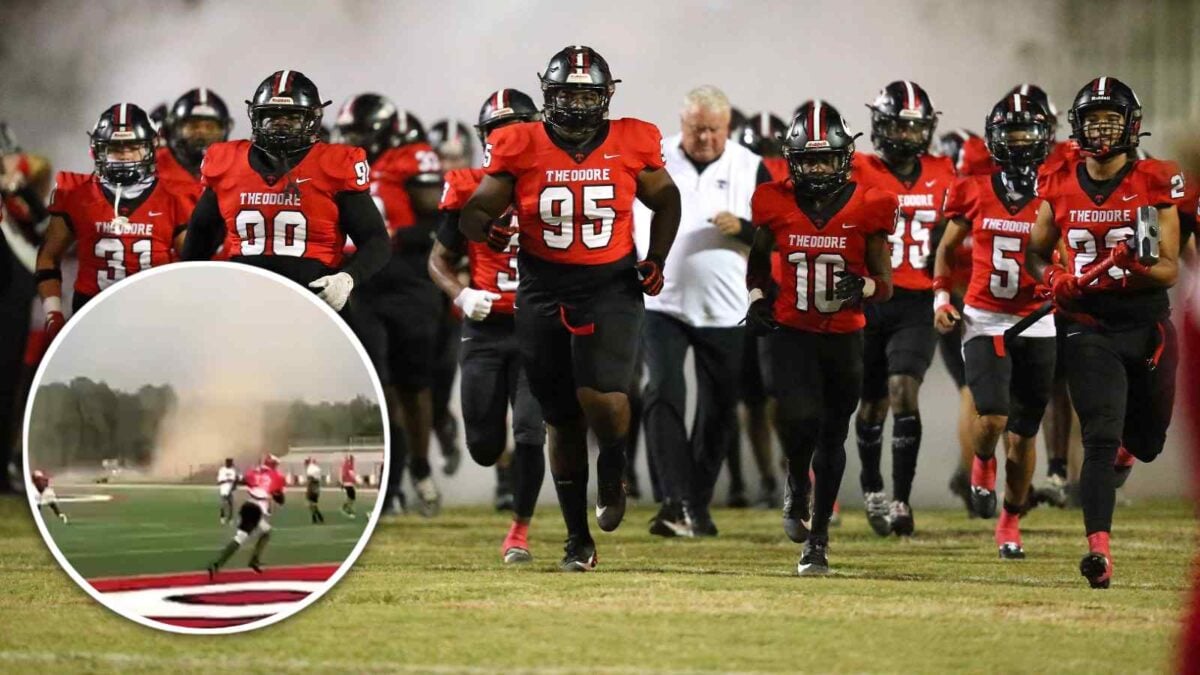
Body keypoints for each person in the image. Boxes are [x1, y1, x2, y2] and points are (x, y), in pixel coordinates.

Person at [460, 45, 681, 571]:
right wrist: (485, 227)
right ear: (547, 96)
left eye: (588, 94)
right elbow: (476, 210)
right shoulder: (519, 142)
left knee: (603, 397)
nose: (578, 105)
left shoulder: (633, 138)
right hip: (542, 287)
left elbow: (666, 198)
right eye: (567, 94)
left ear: (606, 96)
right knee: (560, 416)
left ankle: (614, 462)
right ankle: (577, 539)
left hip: (610, 284)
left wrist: (656, 257)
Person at [1026, 76, 1182, 588]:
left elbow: (1167, 270)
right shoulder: (1059, 180)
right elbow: (1034, 249)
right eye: (1092, 121)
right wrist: (1055, 279)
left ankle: (1126, 453)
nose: (1100, 131)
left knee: (1148, 440)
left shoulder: (1155, 180)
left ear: (1131, 127)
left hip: (1146, 325)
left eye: (1111, 121)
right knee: (1098, 436)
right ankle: (1099, 550)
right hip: (1088, 325)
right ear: (1076, 127)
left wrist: (1127, 266)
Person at [746, 100, 894, 574]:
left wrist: (864, 286)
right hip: (790, 331)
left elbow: (885, 283)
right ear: (791, 159)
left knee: (833, 434)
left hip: (843, 335)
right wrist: (755, 298)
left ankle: (819, 540)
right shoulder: (773, 199)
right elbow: (757, 257)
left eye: (824, 158)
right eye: (807, 159)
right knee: (798, 422)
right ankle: (796, 478)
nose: (815, 168)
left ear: (843, 158)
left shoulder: (870, 202)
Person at [638, 85, 768, 537]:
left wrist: (745, 229)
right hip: (662, 301)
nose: (705, 138)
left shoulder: (751, 166)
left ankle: (695, 502)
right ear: (682, 124)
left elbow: (780, 235)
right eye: (697, 129)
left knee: (718, 409)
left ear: (728, 128)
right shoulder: (653, 157)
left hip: (727, 307)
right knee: (663, 393)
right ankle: (674, 499)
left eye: (713, 129)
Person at [934, 93, 1057, 558]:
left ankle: (1009, 521)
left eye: (1029, 134)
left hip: (1038, 320)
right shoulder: (972, 189)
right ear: (994, 140)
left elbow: (1063, 255)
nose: (1021, 143)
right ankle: (982, 462)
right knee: (992, 417)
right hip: (984, 317)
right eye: (1012, 134)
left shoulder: (1058, 190)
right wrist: (942, 299)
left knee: (1024, 433)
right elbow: (945, 251)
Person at [429, 87, 547, 563]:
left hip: (538, 327)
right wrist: (461, 293)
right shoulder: (466, 186)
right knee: (483, 444)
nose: (505, 139)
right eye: (496, 133)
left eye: (514, 130)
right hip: (484, 328)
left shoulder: (555, 181)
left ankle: (518, 531)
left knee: (529, 432)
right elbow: (437, 261)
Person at [181, 70, 390, 315]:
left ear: (313, 119)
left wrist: (347, 278)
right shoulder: (226, 161)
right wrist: (189, 284)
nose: (281, 123)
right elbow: (200, 235)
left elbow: (377, 241)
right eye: (271, 116)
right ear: (255, 116)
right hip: (242, 297)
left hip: (313, 297)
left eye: (292, 117)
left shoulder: (335, 163)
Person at [852, 80, 957, 536]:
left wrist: (945, 294)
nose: (909, 137)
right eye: (899, 126)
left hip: (915, 300)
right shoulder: (856, 168)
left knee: (902, 391)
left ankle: (901, 499)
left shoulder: (945, 172)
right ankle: (872, 482)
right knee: (871, 404)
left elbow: (950, 245)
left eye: (916, 128)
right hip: (870, 297)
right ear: (879, 125)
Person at [334, 95, 447, 517]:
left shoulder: (411, 158)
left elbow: (437, 216)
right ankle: (391, 480)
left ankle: (419, 464)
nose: (352, 140)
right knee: (378, 383)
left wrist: (398, 238)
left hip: (409, 283)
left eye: (359, 133)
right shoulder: (339, 163)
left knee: (414, 385)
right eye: (348, 133)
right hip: (364, 283)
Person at [37, 103, 192, 336]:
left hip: (155, 314)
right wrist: (53, 313)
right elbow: (48, 256)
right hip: (91, 311)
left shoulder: (174, 197)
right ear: (98, 151)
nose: (126, 156)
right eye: (116, 148)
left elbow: (196, 261)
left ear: (150, 148)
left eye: (133, 147)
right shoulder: (76, 195)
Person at [730, 110, 788, 508]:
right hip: (739, 298)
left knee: (771, 394)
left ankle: (782, 474)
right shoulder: (730, 171)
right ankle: (771, 477)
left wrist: (743, 229)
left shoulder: (774, 178)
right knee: (754, 397)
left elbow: (788, 232)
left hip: (775, 295)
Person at [208, 455, 286, 577]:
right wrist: (276, 495)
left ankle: (254, 560)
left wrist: (232, 489)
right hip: (256, 510)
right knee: (240, 538)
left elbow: (241, 480)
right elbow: (281, 500)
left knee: (267, 531)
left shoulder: (254, 472)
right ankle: (216, 564)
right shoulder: (276, 477)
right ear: (273, 464)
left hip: (248, 505)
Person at [158, 87, 232, 205]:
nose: (201, 133)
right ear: (174, 128)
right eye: (193, 126)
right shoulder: (154, 168)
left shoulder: (234, 169)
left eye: (210, 127)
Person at [304, 457, 324, 524]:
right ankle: (316, 517)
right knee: (314, 503)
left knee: (311, 504)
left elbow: (310, 479)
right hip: (316, 487)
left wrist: (307, 489)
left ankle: (317, 516)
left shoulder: (310, 469)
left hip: (312, 487)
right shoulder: (316, 469)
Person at [217, 457, 237, 525]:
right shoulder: (222, 470)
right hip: (223, 490)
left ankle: (230, 518)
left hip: (230, 490)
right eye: (230, 463)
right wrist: (227, 480)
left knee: (231, 505)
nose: (231, 464)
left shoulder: (233, 470)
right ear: (227, 463)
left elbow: (233, 480)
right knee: (223, 504)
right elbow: (219, 481)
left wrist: (233, 486)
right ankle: (222, 517)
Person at [340, 454, 358, 518]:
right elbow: (344, 475)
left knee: (351, 498)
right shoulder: (346, 465)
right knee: (351, 498)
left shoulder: (350, 466)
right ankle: (346, 508)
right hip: (348, 484)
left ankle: (346, 507)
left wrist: (354, 481)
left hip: (350, 484)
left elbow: (351, 474)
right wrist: (342, 483)